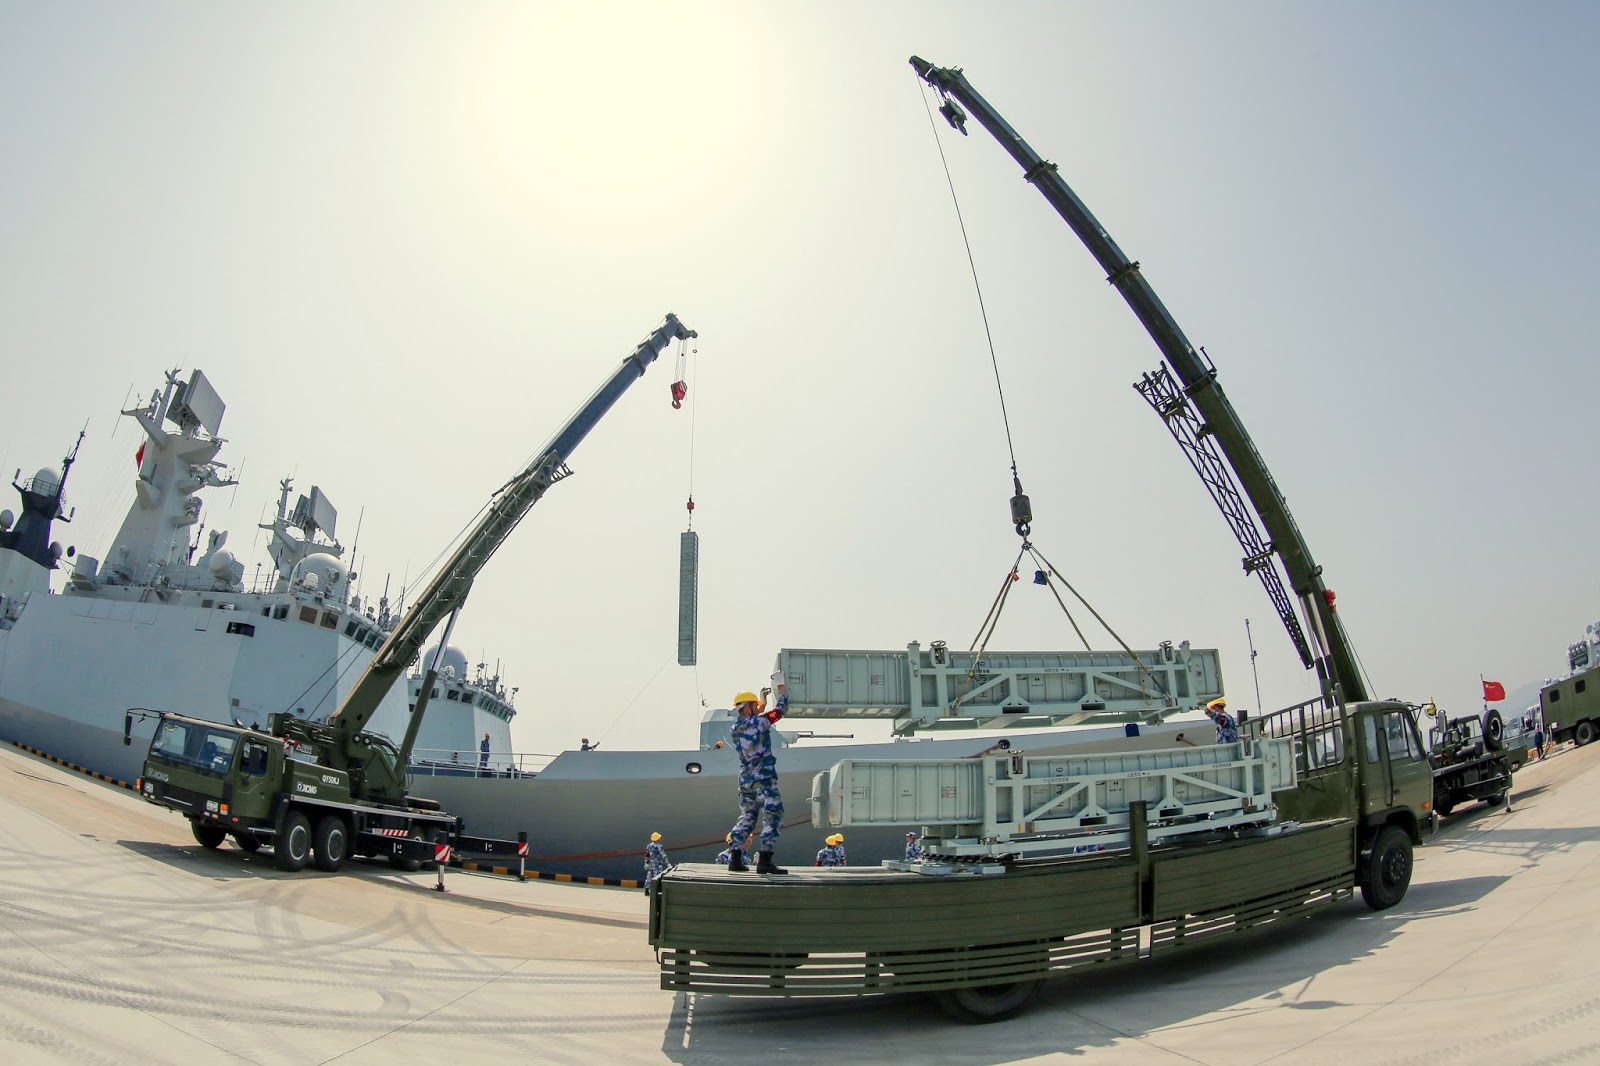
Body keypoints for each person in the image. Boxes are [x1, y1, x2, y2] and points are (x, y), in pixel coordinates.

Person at [726, 679, 787, 874]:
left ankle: (735, 858)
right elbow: (781, 710)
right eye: (754, 705)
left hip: (745, 781)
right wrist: (782, 690)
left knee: (747, 817)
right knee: (773, 814)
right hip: (764, 778)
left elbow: (756, 718)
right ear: (748, 707)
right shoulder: (759, 723)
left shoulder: (735, 729)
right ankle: (765, 860)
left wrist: (760, 702)